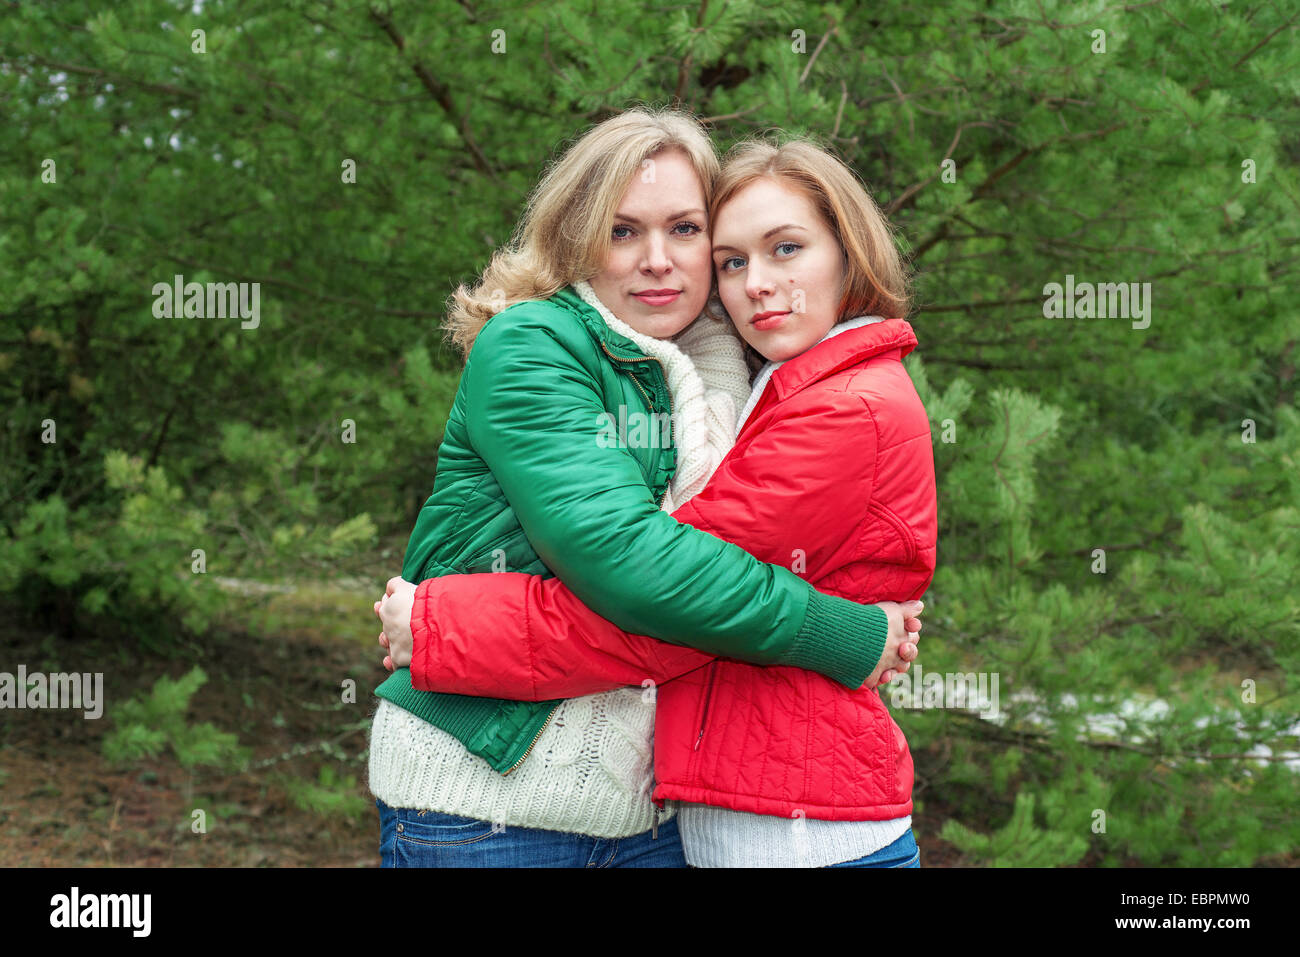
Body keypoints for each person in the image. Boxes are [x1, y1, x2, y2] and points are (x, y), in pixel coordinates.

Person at [368, 107, 924, 868]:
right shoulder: (532, 345)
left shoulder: (739, 369)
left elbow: (720, 573)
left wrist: (446, 627)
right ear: (575, 238)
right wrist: (844, 633)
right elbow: (634, 567)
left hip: (654, 819)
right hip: (491, 807)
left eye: (686, 230)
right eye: (622, 231)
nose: (658, 259)